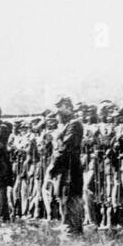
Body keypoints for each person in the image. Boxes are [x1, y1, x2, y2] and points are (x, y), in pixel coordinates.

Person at [48, 97, 85, 236]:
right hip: (64, 169)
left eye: (60, 107)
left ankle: (72, 230)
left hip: (70, 168)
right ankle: (67, 226)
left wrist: (52, 167)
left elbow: (65, 148)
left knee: (70, 198)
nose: (57, 111)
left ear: (69, 108)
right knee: (63, 197)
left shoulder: (74, 125)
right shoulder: (66, 125)